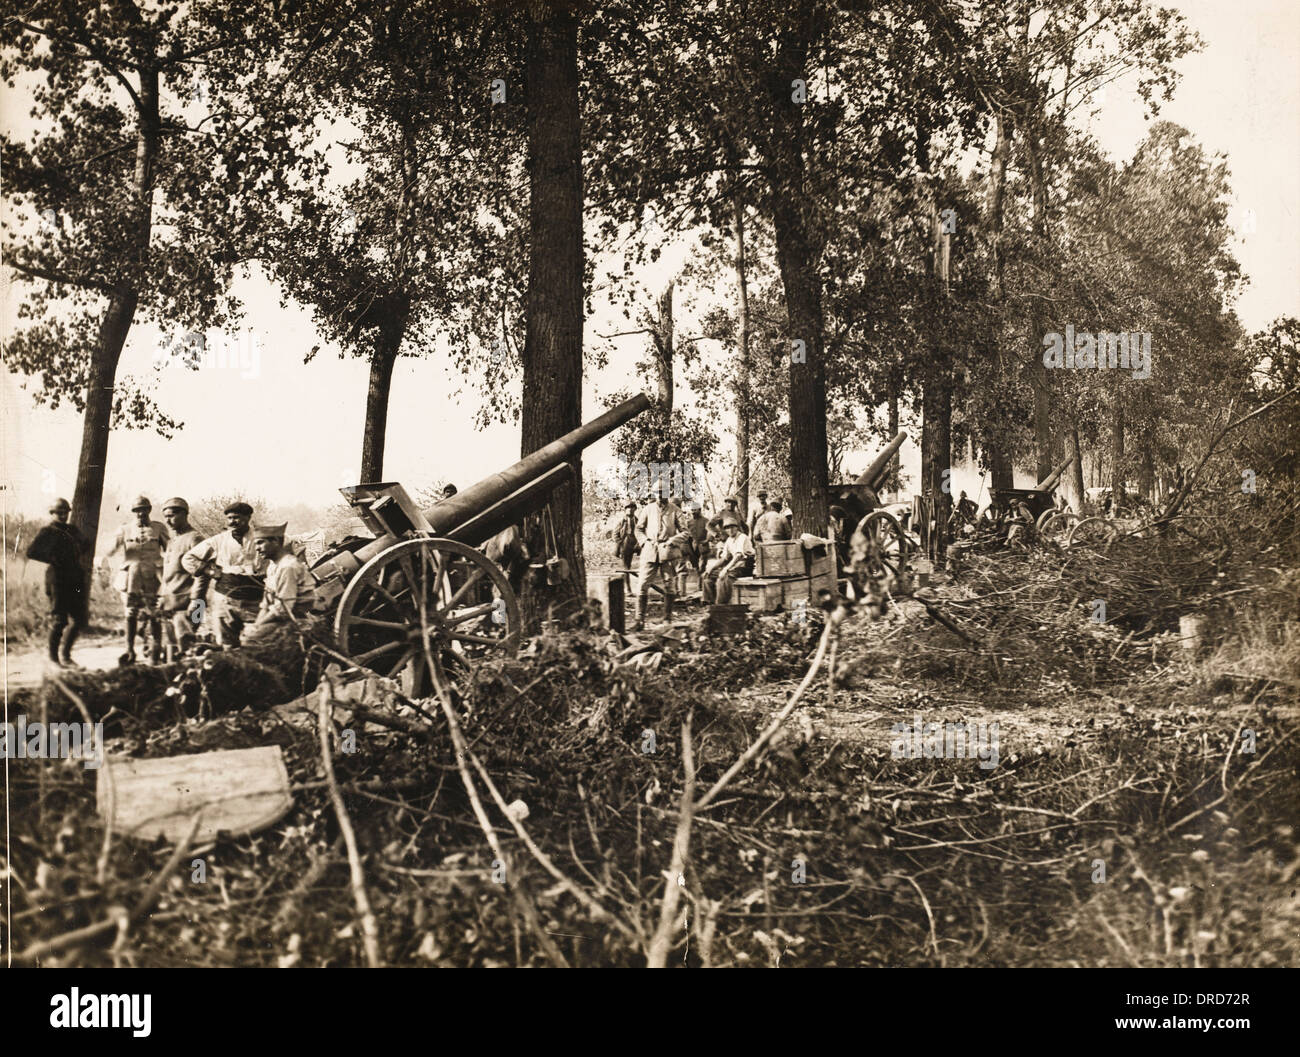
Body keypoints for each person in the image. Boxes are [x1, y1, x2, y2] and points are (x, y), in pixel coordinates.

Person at [182, 501, 266, 646]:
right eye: (229, 518)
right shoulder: (219, 540)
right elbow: (188, 558)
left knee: (256, 640)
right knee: (226, 641)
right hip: (226, 597)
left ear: (248, 517)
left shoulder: (260, 537)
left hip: (255, 597)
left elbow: (291, 547)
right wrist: (210, 571)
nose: (232, 521)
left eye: (237, 517)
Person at [25, 498, 91, 669]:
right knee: (60, 620)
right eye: (59, 513)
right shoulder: (47, 531)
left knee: (79, 620)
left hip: (74, 578)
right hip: (57, 579)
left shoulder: (72, 530)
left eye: (65, 512)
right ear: (52, 513)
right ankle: (54, 660)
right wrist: (53, 558)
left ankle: (66, 656)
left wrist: (74, 556)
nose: (63, 516)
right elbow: (31, 552)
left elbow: (85, 544)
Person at [104, 495, 169, 663]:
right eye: (137, 510)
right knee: (131, 613)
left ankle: (155, 649)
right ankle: (130, 650)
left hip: (153, 578)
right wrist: (115, 541)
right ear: (133, 512)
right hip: (131, 578)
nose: (140, 513)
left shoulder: (158, 528)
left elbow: (169, 551)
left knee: (154, 613)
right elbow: (109, 551)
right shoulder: (124, 529)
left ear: (149, 510)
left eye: (144, 510)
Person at [242, 523, 317, 645]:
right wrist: (257, 625)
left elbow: (283, 609)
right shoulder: (272, 567)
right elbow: (266, 604)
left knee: (249, 640)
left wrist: (258, 626)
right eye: (255, 544)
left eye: (260, 543)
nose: (257, 548)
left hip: (297, 621)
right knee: (247, 634)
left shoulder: (288, 567)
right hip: (282, 619)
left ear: (276, 541)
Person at [633, 489, 690, 631]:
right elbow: (638, 529)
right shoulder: (647, 509)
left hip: (667, 551)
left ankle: (667, 619)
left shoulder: (675, 510)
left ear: (667, 494)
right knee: (642, 585)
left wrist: (673, 540)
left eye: (662, 493)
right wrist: (645, 541)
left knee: (669, 585)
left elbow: (685, 532)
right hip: (649, 550)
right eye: (657, 493)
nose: (659, 496)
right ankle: (639, 620)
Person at [157, 497, 203, 661]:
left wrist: (196, 602)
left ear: (184, 514)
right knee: (171, 647)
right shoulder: (172, 540)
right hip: (170, 602)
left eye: (171, 516)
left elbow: (202, 574)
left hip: (189, 605)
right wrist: (162, 597)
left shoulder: (195, 538)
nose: (168, 521)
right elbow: (169, 574)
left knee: (188, 649)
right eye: (165, 517)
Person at [702, 520, 756, 605]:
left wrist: (726, 569)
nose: (730, 530)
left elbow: (738, 556)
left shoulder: (743, 537)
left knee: (724, 578)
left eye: (732, 527)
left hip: (745, 565)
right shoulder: (729, 540)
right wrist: (710, 569)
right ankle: (709, 603)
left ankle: (720, 604)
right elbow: (724, 558)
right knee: (708, 576)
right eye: (727, 528)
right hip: (734, 565)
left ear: (737, 528)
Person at [612, 500, 639, 571]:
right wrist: (621, 543)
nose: (630, 509)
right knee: (626, 566)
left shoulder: (637, 520)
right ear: (625, 510)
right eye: (628, 508)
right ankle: (626, 579)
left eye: (632, 507)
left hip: (634, 543)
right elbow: (614, 534)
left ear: (635, 509)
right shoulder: (622, 521)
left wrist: (638, 543)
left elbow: (641, 531)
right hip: (625, 544)